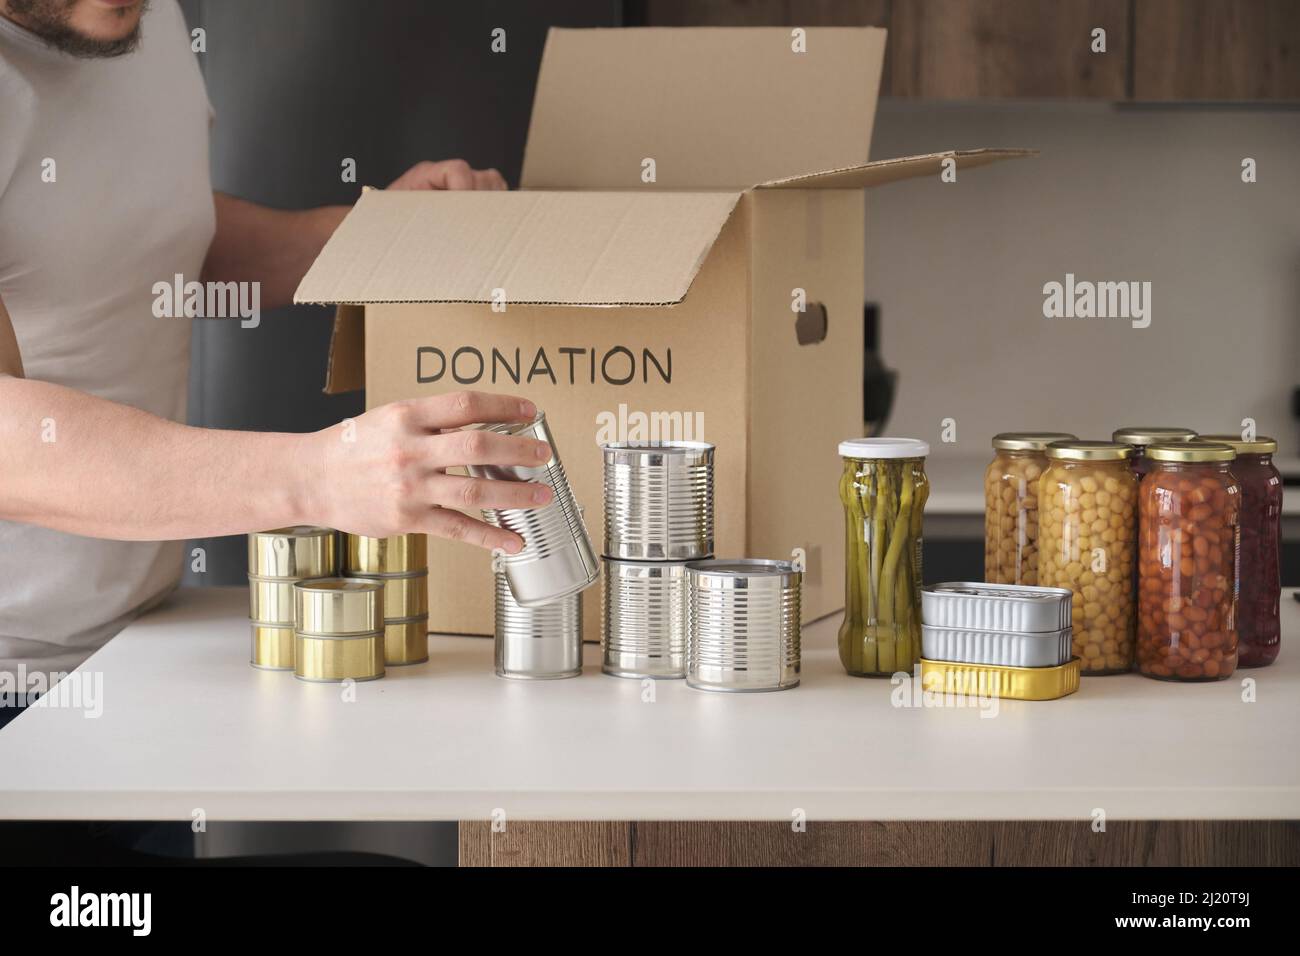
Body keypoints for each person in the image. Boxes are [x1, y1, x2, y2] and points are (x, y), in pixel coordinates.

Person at [0, 0, 550, 722]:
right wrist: (319, 477)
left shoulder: (137, 14)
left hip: (140, 650)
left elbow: (130, 240)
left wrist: (374, 239)